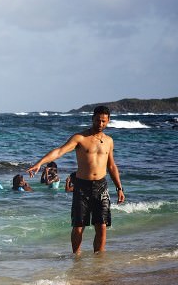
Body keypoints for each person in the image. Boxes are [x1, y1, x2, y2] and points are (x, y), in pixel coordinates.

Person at [28, 106, 125, 253]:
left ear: (108, 121)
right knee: (79, 226)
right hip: (82, 186)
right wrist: (39, 163)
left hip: (101, 186)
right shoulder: (80, 138)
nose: (100, 124)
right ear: (92, 119)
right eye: (98, 120)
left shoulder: (109, 141)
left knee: (102, 225)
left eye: (104, 121)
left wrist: (119, 188)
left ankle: (99, 261)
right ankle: (76, 259)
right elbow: (59, 151)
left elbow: (111, 166)